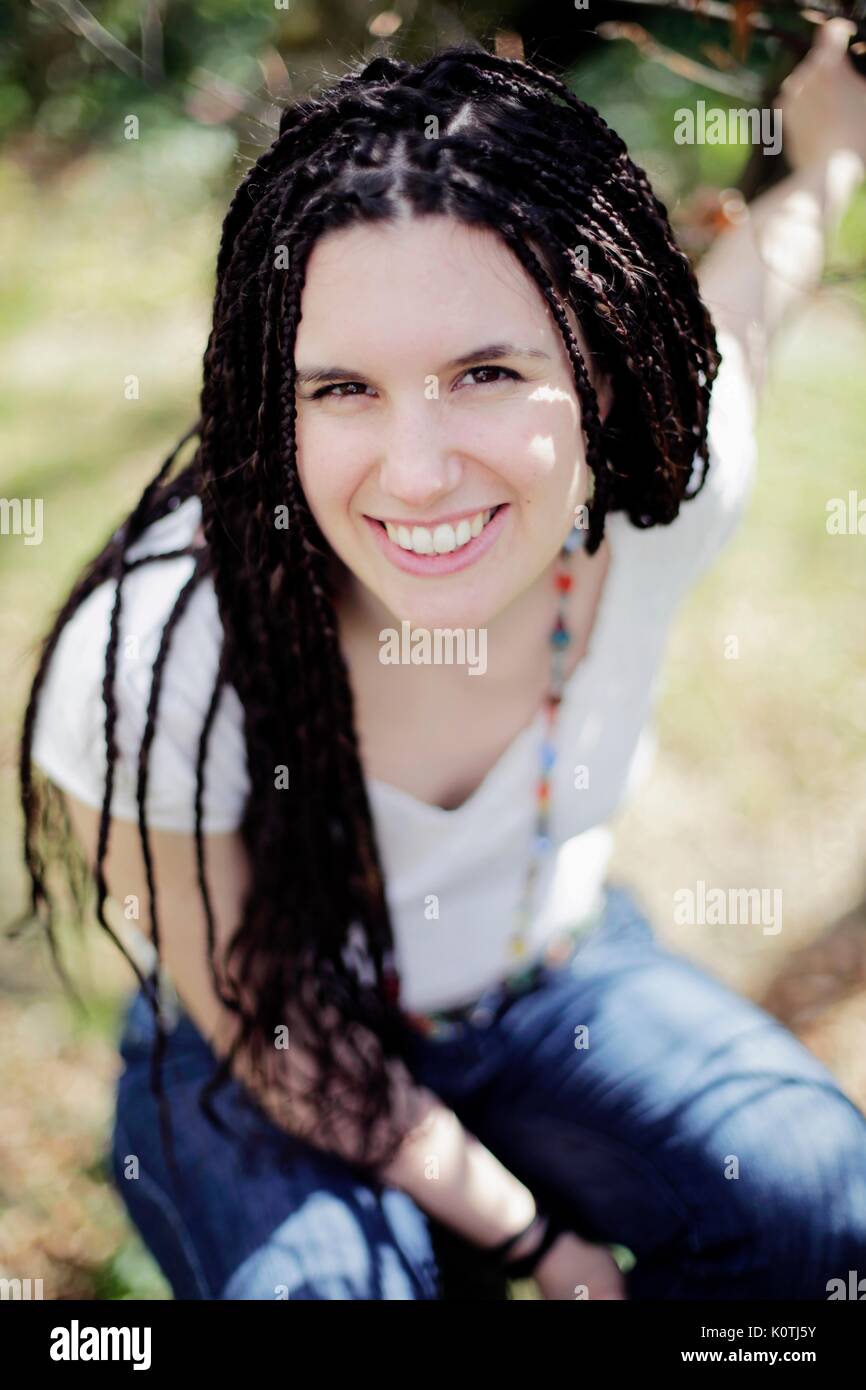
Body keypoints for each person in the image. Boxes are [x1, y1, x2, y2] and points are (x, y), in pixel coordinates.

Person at [18, 25, 866, 1301]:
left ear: (597, 364)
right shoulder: (153, 656)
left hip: (545, 981)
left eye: (484, 372)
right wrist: (539, 1245)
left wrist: (824, 162)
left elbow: (756, 291)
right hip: (276, 1040)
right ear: (268, 398)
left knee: (812, 1195)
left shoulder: (661, 493)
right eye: (342, 389)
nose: (415, 474)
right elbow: (264, 1030)